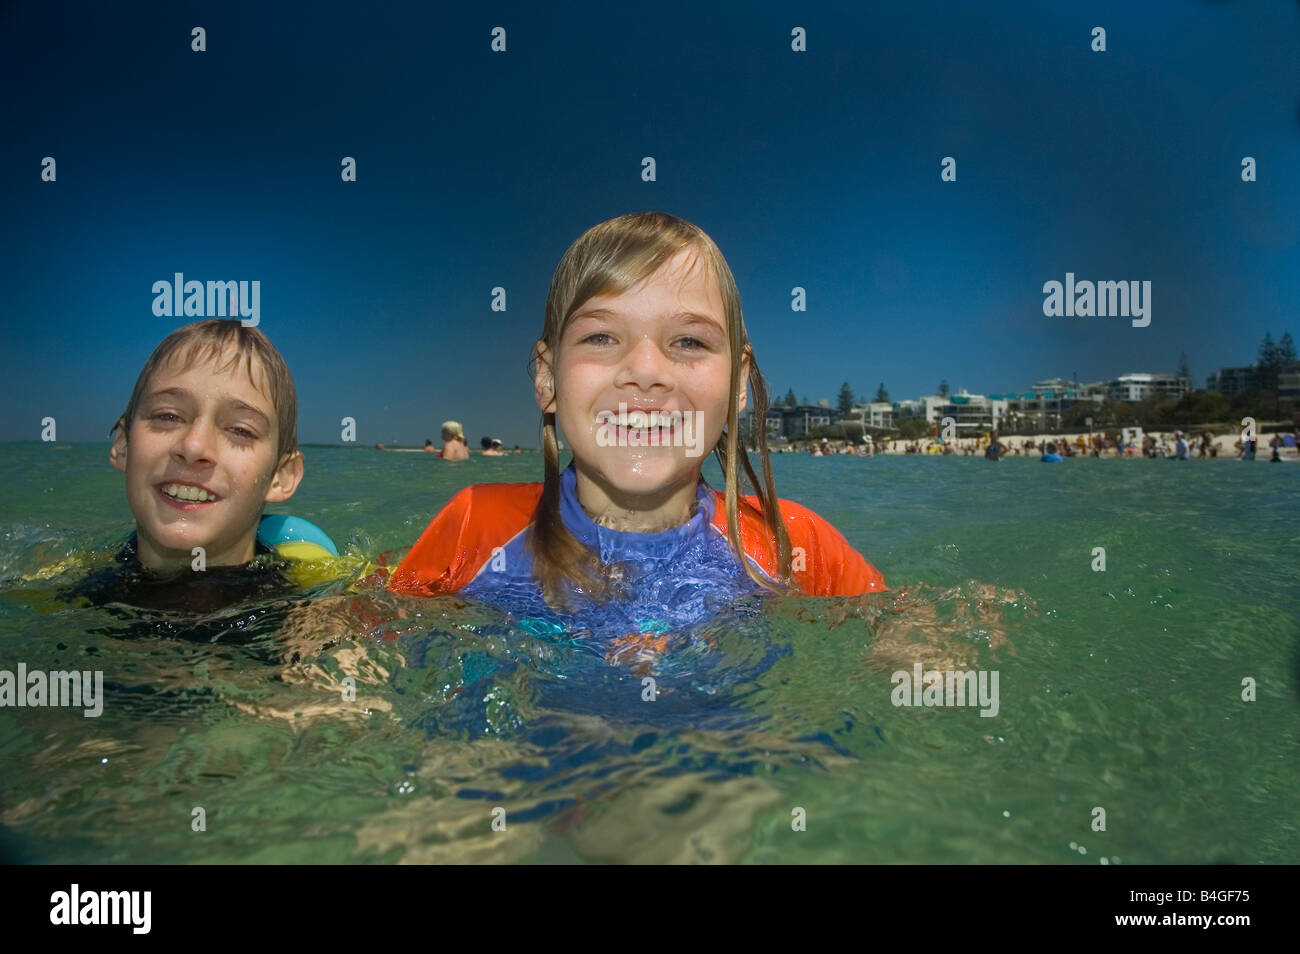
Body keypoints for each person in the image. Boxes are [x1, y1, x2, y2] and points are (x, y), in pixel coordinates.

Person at [384, 212, 888, 645]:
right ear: (547, 377)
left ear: (738, 382)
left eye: (689, 342)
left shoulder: (792, 543)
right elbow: (374, 639)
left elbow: (907, 638)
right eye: (601, 337)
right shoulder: (477, 528)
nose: (646, 370)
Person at [63, 319, 338, 616]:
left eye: (240, 430)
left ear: (281, 476)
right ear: (123, 446)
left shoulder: (311, 612)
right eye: (168, 416)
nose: (194, 447)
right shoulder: (74, 593)